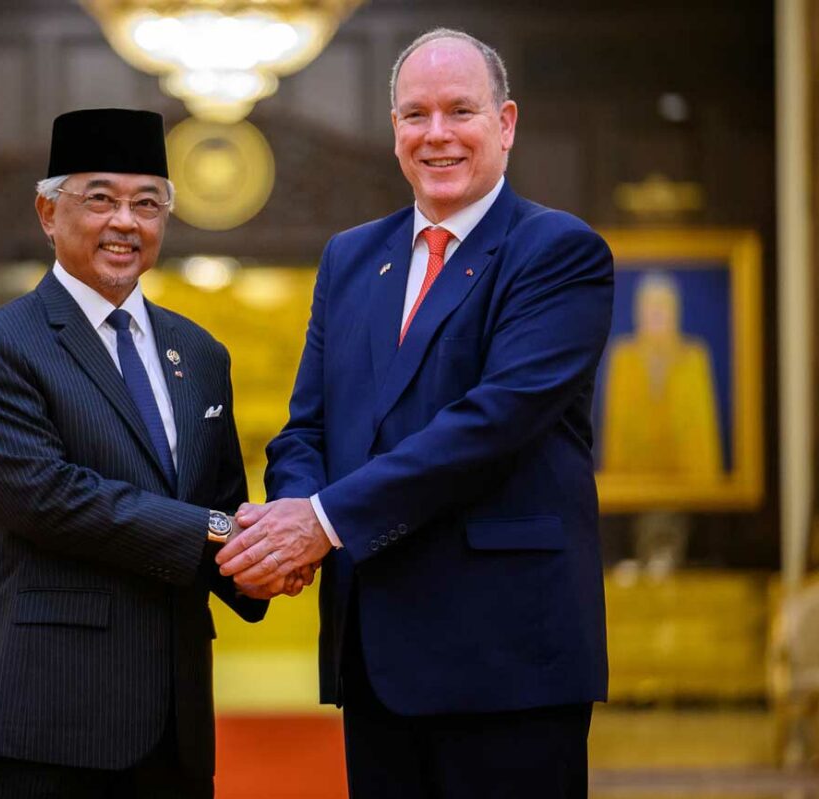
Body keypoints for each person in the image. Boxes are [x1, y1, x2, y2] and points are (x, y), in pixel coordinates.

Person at [217, 28, 614, 798]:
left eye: (459, 111)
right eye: (414, 114)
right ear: (393, 129)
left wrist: (322, 521)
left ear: (505, 124)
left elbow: (491, 425)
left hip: (507, 663)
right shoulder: (351, 258)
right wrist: (295, 509)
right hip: (376, 653)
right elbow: (306, 425)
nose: (436, 135)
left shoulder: (557, 252)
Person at [0, 108, 302, 799]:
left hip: (176, 727)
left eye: (148, 203)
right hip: (49, 722)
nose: (126, 222)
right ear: (48, 212)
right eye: (101, 198)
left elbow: (220, 503)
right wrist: (225, 533)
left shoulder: (199, 354)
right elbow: (52, 499)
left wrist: (262, 560)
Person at [601, 271, 723, 478]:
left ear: (676, 311)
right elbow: (616, 437)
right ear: (638, 312)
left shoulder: (694, 357)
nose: (656, 313)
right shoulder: (623, 357)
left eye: (663, 305)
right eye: (649, 306)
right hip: (634, 484)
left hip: (687, 483)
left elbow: (704, 437)